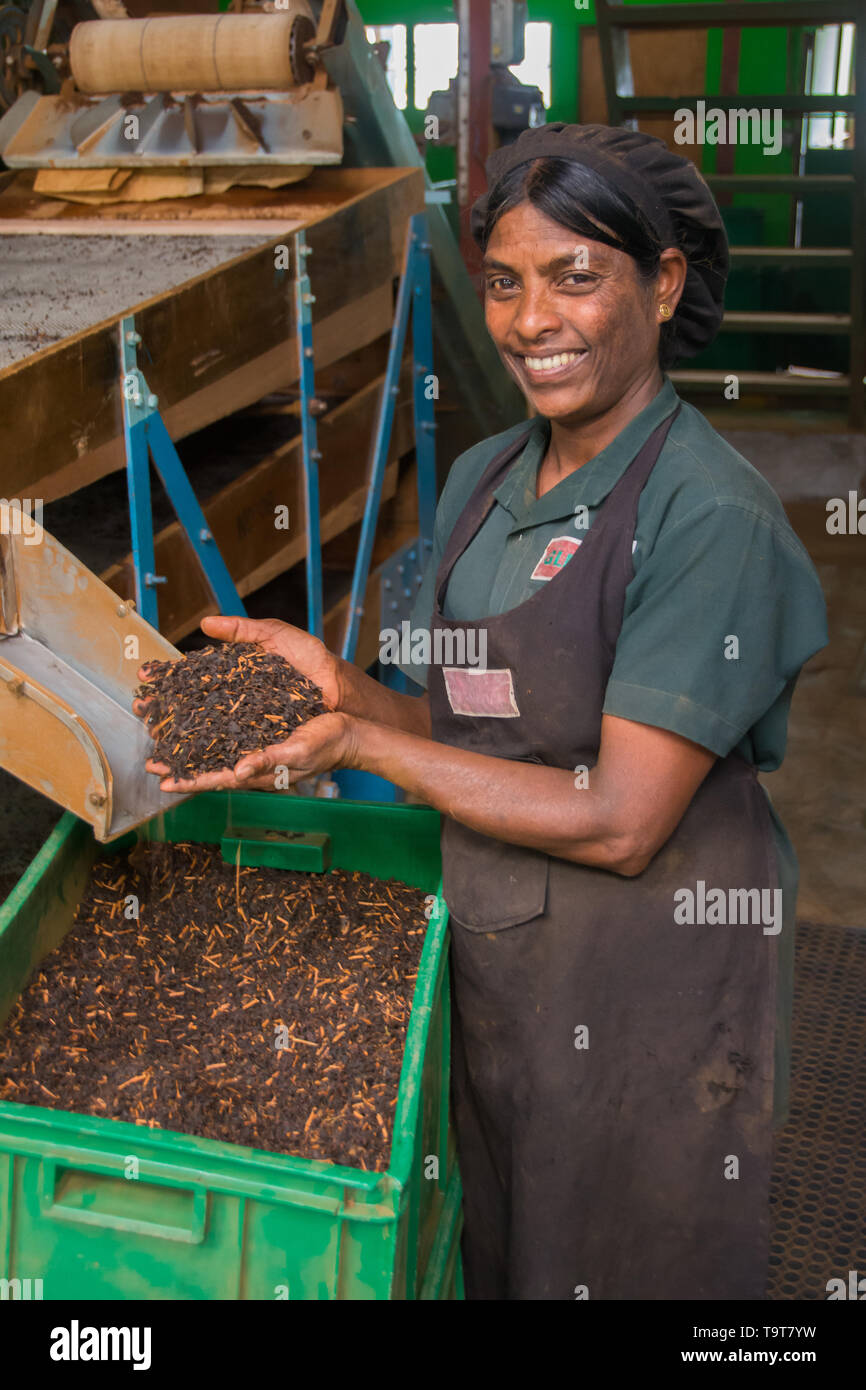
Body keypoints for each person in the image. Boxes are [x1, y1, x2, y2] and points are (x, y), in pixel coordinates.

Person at [136, 123, 828, 1301]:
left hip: (644, 968)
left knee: (632, 1251)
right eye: (503, 283)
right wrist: (336, 686)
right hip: (499, 942)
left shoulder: (707, 518)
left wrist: (358, 744)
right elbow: (465, 727)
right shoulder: (483, 478)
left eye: (576, 277)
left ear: (661, 286)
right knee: (509, 1231)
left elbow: (618, 817)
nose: (527, 321)